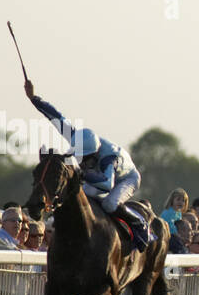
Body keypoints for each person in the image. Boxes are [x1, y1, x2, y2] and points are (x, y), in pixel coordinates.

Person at [25, 79, 150, 251]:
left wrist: (82, 175)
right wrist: (34, 98)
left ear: (93, 155)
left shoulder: (109, 158)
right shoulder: (78, 138)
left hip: (125, 179)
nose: (81, 163)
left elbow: (107, 184)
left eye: (85, 160)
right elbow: (55, 116)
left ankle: (138, 222)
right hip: (101, 175)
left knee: (109, 204)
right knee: (78, 193)